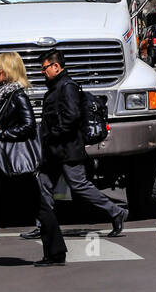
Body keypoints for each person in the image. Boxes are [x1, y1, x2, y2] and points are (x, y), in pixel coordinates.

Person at [0, 52, 67, 269]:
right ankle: (56, 252)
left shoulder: (17, 95)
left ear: (7, 70)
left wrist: (1, 132)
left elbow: (29, 127)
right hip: (5, 163)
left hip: (14, 163)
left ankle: (56, 253)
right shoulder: (1, 95)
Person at [20, 49, 126, 242]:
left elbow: (72, 116)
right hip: (54, 149)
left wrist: (53, 134)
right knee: (43, 184)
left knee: (79, 185)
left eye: (45, 68)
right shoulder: (56, 86)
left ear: (56, 66)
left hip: (67, 148)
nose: (43, 72)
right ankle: (43, 224)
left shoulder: (66, 87)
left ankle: (116, 212)